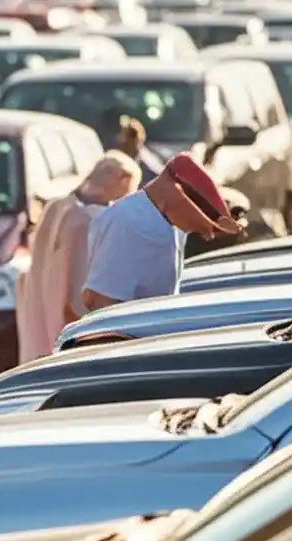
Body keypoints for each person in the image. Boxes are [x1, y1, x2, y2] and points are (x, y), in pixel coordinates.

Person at [16, 151, 140, 363]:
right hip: (67, 351)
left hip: (35, 343)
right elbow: (77, 300)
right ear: (123, 179)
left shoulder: (55, 207)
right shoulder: (91, 222)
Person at [83, 153, 242, 311]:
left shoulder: (173, 225)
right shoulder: (123, 223)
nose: (208, 235)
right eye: (203, 224)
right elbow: (98, 300)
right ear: (177, 198)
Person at [115, 116, 165, 184]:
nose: (118, 138)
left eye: (122, 135)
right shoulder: (123, 160)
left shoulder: (148, 169)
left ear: (132, 139)